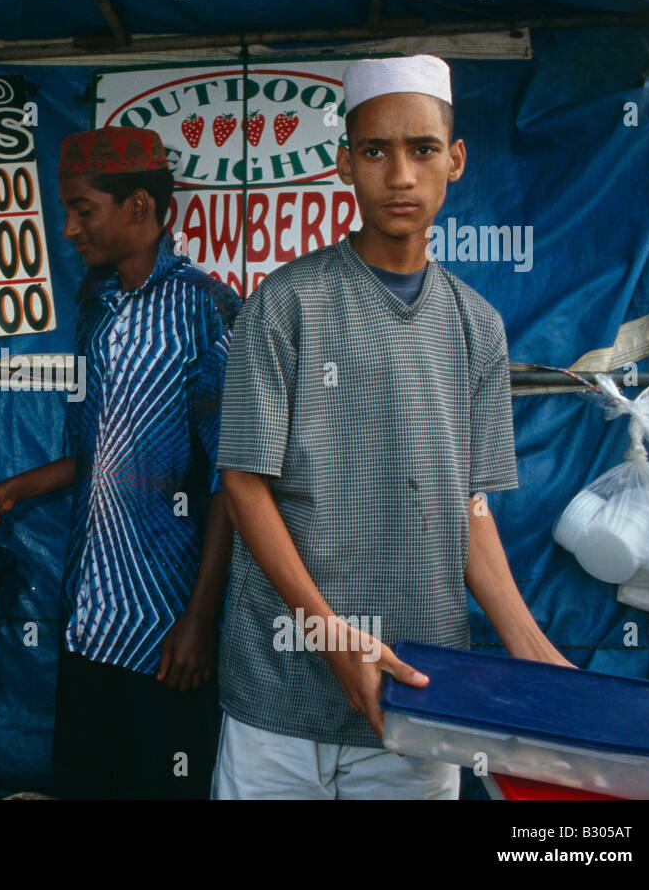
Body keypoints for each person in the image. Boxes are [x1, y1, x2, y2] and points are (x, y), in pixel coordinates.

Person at [212, 55, 573, 800]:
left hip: (414, 692)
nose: (400, 175)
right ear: (345, 164)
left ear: (456, 160)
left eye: (422, 149)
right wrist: (329, 636)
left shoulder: (477, 326)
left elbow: (468, 507)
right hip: (280, 696)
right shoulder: (287, 303)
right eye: (375, 151)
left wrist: (532, 648)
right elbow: (244, 486)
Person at [0, 126, 239, 799]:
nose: (69, 227)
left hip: (165, 630)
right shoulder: (96, 309)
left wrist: (199, 618)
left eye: (84, 208)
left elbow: (235, 478)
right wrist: (10, 491)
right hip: (87, 621)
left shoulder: (208, 309)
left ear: (139, 206)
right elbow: (99, 451)